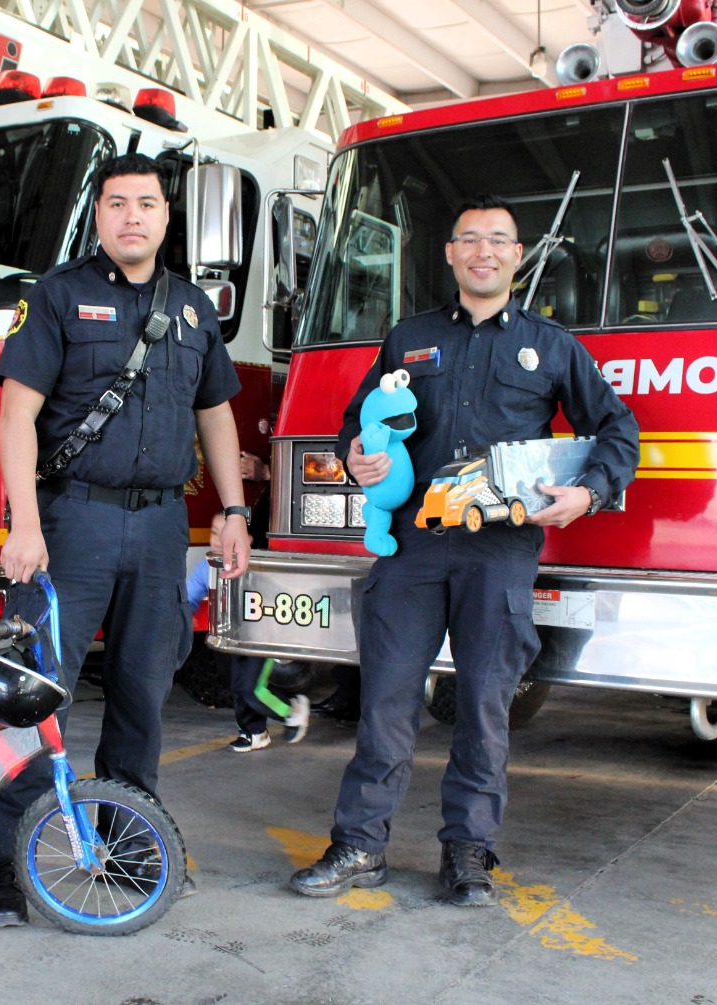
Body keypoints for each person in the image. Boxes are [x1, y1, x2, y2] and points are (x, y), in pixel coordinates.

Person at [288, 194, 639, 907]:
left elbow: (617, 428)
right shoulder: (409, 338)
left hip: (499, 552)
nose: (484, 251)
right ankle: (360, 844)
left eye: (499, 240)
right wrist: (355, 455)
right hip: (412, 546)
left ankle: (468, 851)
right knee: (386, 702)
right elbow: (359, 420)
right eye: (470, 239)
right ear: (449, 253)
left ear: (518, 256)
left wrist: (589, 492)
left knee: (483, 705)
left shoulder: (550, 345)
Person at [0, 152, 253, 927]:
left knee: (141, 694)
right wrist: (25, 522)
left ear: (167, 216)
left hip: (161, 525)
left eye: (147, 203)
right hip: (74, 522)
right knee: (36, 694)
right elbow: (16, 415)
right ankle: (3, 861)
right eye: (117, 202)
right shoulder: (57, 295)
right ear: (97, 214)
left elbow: (216, 414)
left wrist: (234, 510)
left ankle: (130, 847)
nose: (133, 216)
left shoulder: (193, 308)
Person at [188, 512, 309, 752]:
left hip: (260, 640)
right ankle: (254, 733)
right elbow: (190, 596)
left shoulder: (256, 566)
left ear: (247, 540)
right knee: (238, 689)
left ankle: (292, 711)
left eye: (226, 535)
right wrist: (181, 616)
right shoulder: (206, 567)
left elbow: (280, 600)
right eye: (214, 533)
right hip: (232, 640)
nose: (218, 541)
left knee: (253, 690)